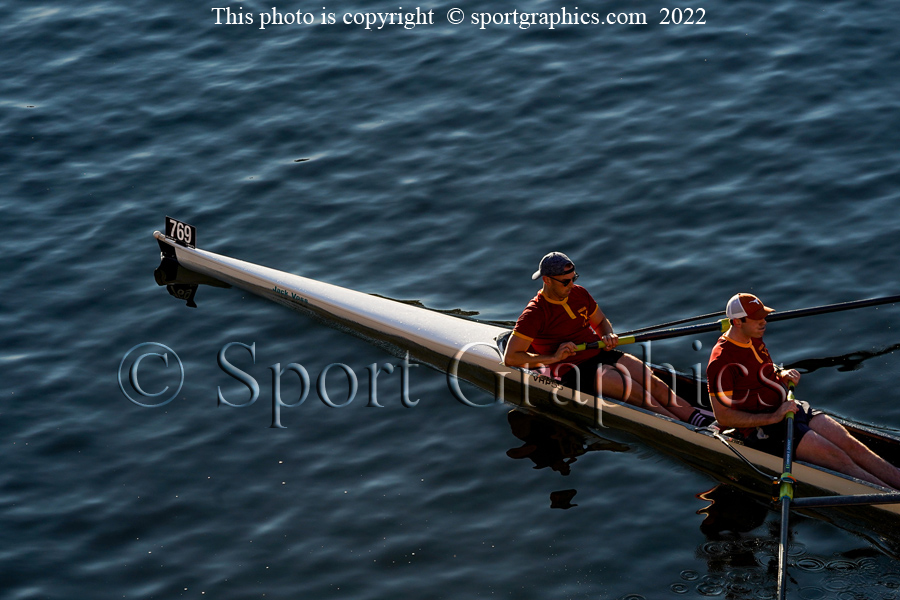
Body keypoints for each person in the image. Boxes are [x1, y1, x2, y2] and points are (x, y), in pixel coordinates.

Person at [707, 293, 900, 489]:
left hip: (789, 408)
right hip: (765, 428)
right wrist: (773, 417)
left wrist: (781, 373)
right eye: (757, 318)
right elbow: (723, 417)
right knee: (839, 459)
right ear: (737, 322)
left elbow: (764, 367)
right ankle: (892, 499)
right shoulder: (721, 362)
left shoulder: (753, 336)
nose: (763, 322)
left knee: (852, 445)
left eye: (763, 316)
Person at [502, 252, 712, 427]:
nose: (571, 285)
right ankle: (690, 430)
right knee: (638, 394)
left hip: (599, 350)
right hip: (572, 369)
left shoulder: (579, 293)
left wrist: (608, 335)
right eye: (566, 281)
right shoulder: (534, 314)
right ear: (546, 280)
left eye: (574, 278)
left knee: (654, 383)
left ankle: (699, 419)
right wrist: (553, 357)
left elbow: (601, 321)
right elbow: (511, 358)